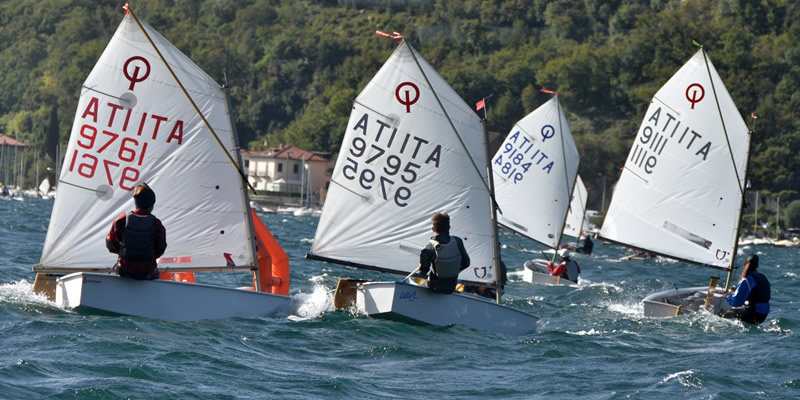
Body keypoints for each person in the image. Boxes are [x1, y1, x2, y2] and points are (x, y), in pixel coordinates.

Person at [106, 182, 167, 280]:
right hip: (147, 272)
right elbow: (160, 249)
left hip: (124, 270)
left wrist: (122, 253)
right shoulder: (157, 224)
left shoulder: (122, 220)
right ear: (151, 205)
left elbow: (111, 244)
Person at [417, 212, 470, 294]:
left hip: (433, 287)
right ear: (449, 227)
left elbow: (423, 273)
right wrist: (452, 270)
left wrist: (421, 268)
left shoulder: (429, 247)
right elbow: (466, 263)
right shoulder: (458, 241)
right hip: (450, 288)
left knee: (421, 283)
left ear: (433, 229)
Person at [724, 254, 770, 324]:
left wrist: (727, 296)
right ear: (757, 266)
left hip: (753, 313)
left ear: (744, 264)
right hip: (763, 315)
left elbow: (736, 302)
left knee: (727, 314)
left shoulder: (747, 280)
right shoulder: (762, 277)